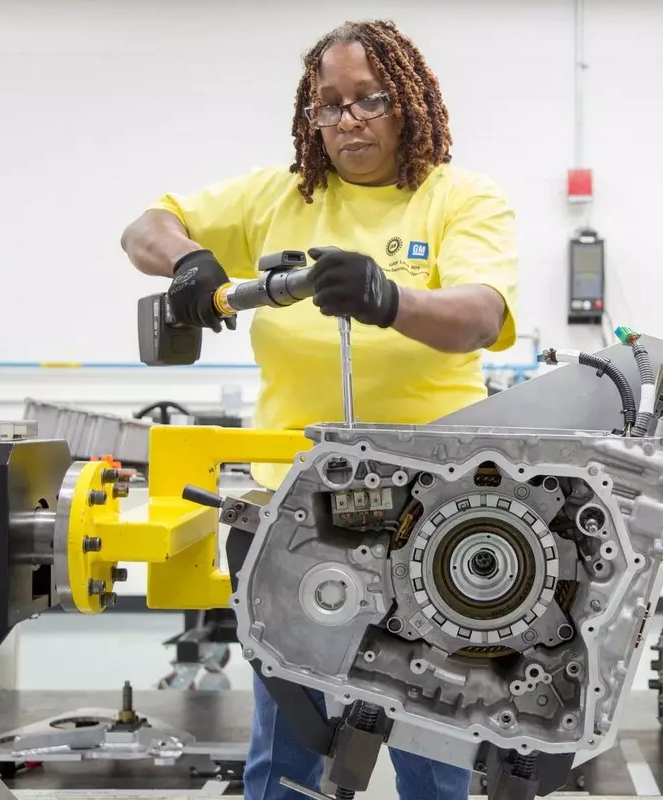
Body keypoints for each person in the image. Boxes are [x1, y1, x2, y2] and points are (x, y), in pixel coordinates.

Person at [119, 19, 518, 800]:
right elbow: (144, 229)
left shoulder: (459, 197)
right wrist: (192, 262)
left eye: (368, 99)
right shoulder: (282, 196)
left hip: (429, 510)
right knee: (290, 733)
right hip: (294, 510)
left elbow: (477, 313)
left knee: (429, 733)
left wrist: (387, 297)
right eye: (327, 105)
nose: (347, 120)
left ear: (406, 101)